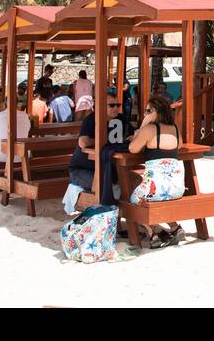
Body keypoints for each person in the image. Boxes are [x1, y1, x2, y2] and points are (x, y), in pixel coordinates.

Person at [127, 96, 186, 247]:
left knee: (132, 197)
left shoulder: (149, 129)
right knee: (156, 191)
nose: (145, 114)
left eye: (148, 111)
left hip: (155, 191)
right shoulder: (175, 129)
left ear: (157, 112)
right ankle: (174, 227)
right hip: (176, 189)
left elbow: (132, 148)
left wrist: (142, 126)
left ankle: (152, 232)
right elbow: (179, 146)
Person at [65, 94, 134, 214]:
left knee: (127, 181)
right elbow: (83, 142)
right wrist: (103, 140)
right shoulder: (92, 120)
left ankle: (120, 216)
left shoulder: (122, 120)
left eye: (118, 105)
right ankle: (102, 217)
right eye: (111, 105)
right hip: (82, 169)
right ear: (102, 107)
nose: (115, 108)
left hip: (107, 167)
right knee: (107, 184)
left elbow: (133, 134)